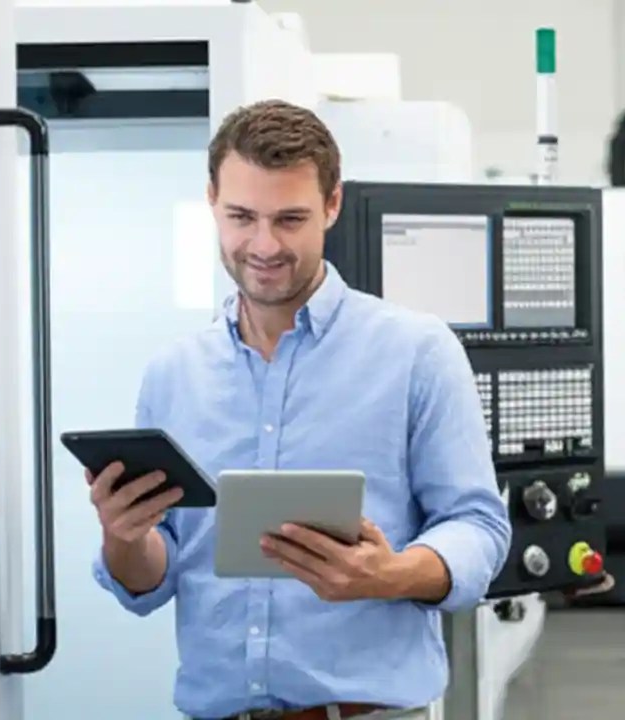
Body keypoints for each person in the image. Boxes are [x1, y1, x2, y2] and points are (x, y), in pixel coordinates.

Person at [85, 99, 512, 720]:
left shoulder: (416, 352)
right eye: (241, 216)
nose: (263, 244)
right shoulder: (173, 374)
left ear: (332, 205)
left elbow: (480, 527)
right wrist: (122, 536)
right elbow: (152, 579)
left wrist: (388, 574)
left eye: (290, 218)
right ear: (211, 201)